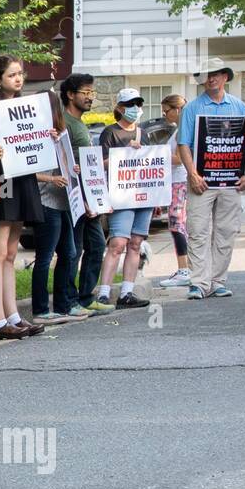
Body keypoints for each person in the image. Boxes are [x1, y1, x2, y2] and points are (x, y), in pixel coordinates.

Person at [177, 61, 245, 300]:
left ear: (225, 78)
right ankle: (199, 283)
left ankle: (218, 281)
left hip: (231, 181)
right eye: (208, 76)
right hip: (202, 180)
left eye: (216, 75)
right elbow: (184, 145)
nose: (212, 79)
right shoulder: (192, 108)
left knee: (226, 231)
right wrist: (192, 174)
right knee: (198, 231)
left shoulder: (239, 106)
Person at [0, 55, 45, 340]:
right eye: (11, 75)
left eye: (20, 74)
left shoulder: (26, 108)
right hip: (1, 179)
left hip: (23, 176)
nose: (18, 79)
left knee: (11, 252)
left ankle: (12, 315)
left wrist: (46, 136)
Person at [31, 91, 87, 325]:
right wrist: (51, 179)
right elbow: (28, 173)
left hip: (64, 201)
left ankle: (64, 304)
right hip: (47, 202)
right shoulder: (33, 137)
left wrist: (72, 171)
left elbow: (64, 165)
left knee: (70, 253)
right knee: (44, 257)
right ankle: (41, 309)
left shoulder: (59, 135)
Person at [94, 87, 151, 309]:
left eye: (138, 104)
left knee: (136, 243)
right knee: (118, 242)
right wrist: (125, 152)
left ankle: (127, 291)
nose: (135, 109)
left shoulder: (143, 133)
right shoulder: (110, 133)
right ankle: (104, 292)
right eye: (130, 104)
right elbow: (100, 163)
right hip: (121, 195)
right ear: (120, 108)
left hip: (142, 195)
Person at [60, 73, 108, 314]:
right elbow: (65, 162)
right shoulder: (65, 122)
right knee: (74, 249)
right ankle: (70, 301)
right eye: (85, 93)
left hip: (89, 197)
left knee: (97, 245)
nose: (90, 97)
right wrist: (82, 196)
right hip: (74, 198)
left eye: (92, 93)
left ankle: (86, 297)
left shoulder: (80, 123)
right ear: (70, 94)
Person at [157, 93, 192, 288]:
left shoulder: (182, 131)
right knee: (180, 225)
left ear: (177, 109)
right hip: (176, 182)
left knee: (176, 224)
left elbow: (179, 159)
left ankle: (184, 270)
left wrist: (156, 153)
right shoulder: (180, 129)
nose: (165, 115)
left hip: (179, 182)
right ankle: (187, 268)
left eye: (167, 111)